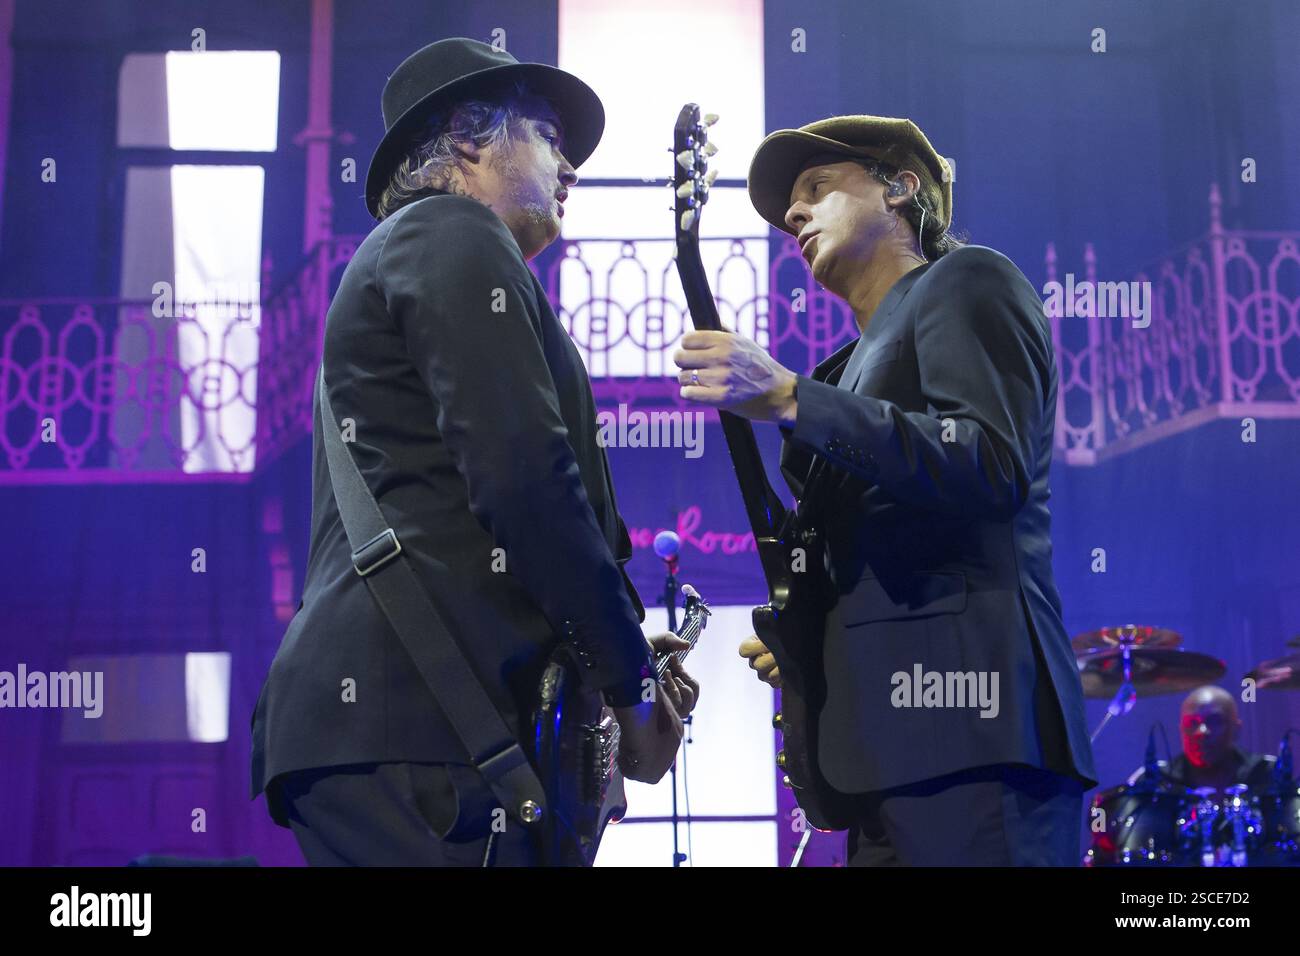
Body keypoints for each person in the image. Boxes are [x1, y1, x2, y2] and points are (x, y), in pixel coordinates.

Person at [250, 37, 696, 867]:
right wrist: (633, 691)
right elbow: (526, 482)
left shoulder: (417, 256)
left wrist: (614, 659)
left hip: (403, 725)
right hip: (419, 728)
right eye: (550, 137)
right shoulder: (450, 228)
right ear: (466, 134)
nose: (571, 168)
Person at [673, 115, 1096, 865]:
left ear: (900, 189)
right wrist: (814, 641)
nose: (794, 213)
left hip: (975, 740)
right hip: (879, 755)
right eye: (791, 205)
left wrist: (792, 398)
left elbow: (989, 463)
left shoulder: (966, 280)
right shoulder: (841, 372)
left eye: (817, 187)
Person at [1127, 685, 1274, 790]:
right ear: (1181, 730)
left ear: (1236, 729)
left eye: (1214, 721)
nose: (1201, 732)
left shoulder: (1266, 773)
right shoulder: (1156, 780)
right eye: (1192, 723)